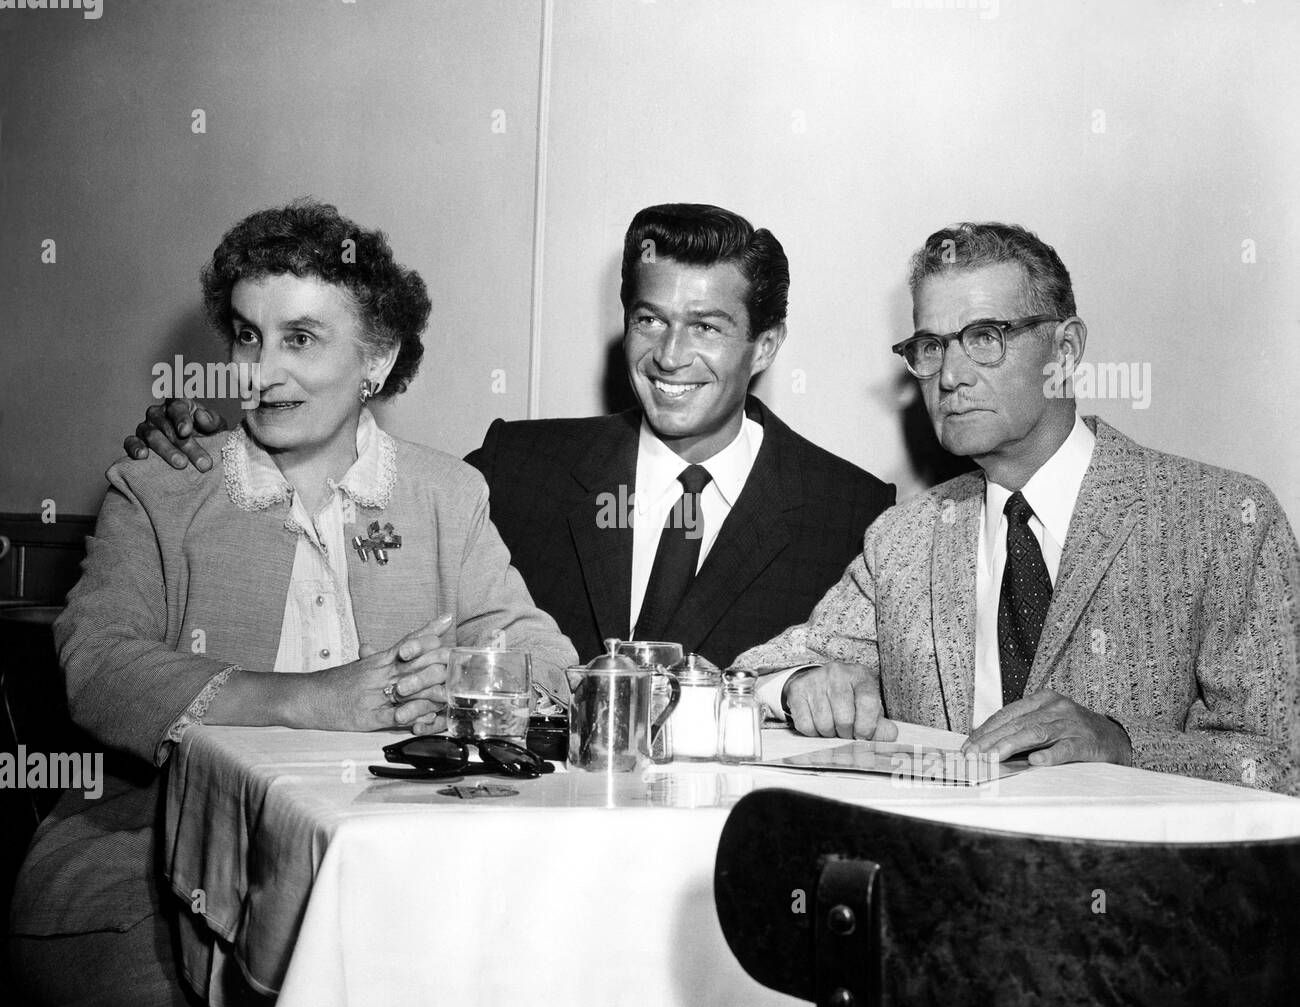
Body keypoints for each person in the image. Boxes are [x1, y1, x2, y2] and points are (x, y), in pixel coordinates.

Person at [9, 200, 578, 1007]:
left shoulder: (446, 496)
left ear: (376, 360)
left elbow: (545, 659)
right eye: (247, 336)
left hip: (391, 864)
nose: (260, 373)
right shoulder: (161, 485)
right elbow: (96, 666)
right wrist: (315, 698)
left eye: (301, 339)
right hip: (149, 864)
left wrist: (460, 677)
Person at [126, 204, 896, 667]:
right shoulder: (515, 468)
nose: (668, 355)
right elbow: (348, 483)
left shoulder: (852, 515)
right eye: (649, 320)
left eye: (707, 327)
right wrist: (223, 439)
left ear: (764, 347)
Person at [735, 222, 1300, 795]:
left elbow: (1283, 759)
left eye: (984, 337)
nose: (950, 377)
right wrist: (798, 684)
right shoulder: (903, 539)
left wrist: (1121, 745)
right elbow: (745, 678)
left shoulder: (1225, 520)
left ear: (1066, 349)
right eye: (931, 347)